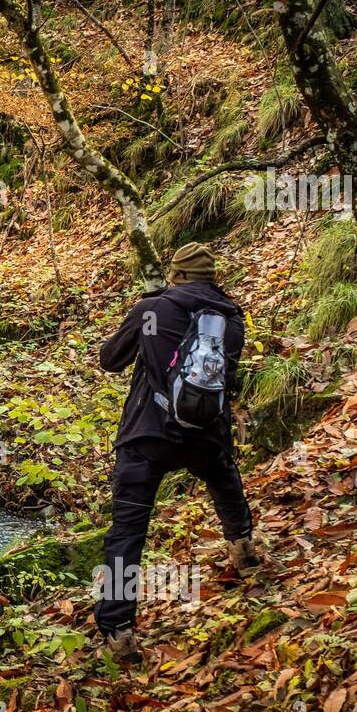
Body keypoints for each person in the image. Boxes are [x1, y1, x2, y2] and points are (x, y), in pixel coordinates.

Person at [94, 242, 258, 665]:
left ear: (176, 275)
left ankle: (120, 630)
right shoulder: (232, 319)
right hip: (206, 435)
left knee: (127, 531)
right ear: (211, 277)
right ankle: (243, 548)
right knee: (223, 475)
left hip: (147, 435)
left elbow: (110, 360)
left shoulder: (152, 309)